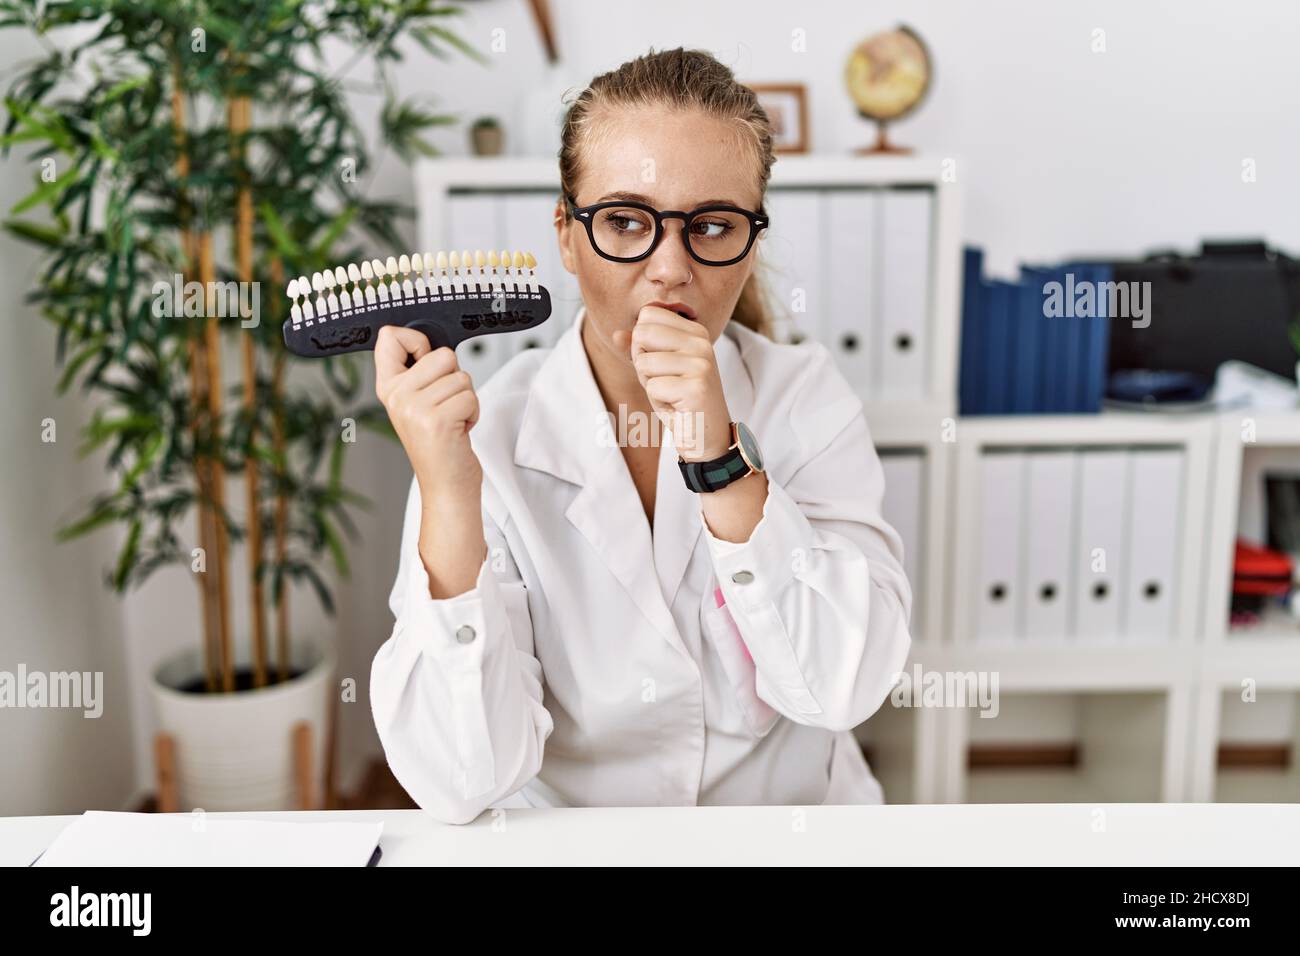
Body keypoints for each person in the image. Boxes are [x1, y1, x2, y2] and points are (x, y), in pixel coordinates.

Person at [370, 47, 912, 825]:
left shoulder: (805, 399)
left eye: (712, 226)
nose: (669, 269)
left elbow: (842, 690)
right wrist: (449, 495)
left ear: (748, 244)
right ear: (566, 234)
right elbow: (462, 780)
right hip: (577, 842)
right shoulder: (488, 437)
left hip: (784, 829)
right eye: (625, 221)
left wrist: (719, 454)